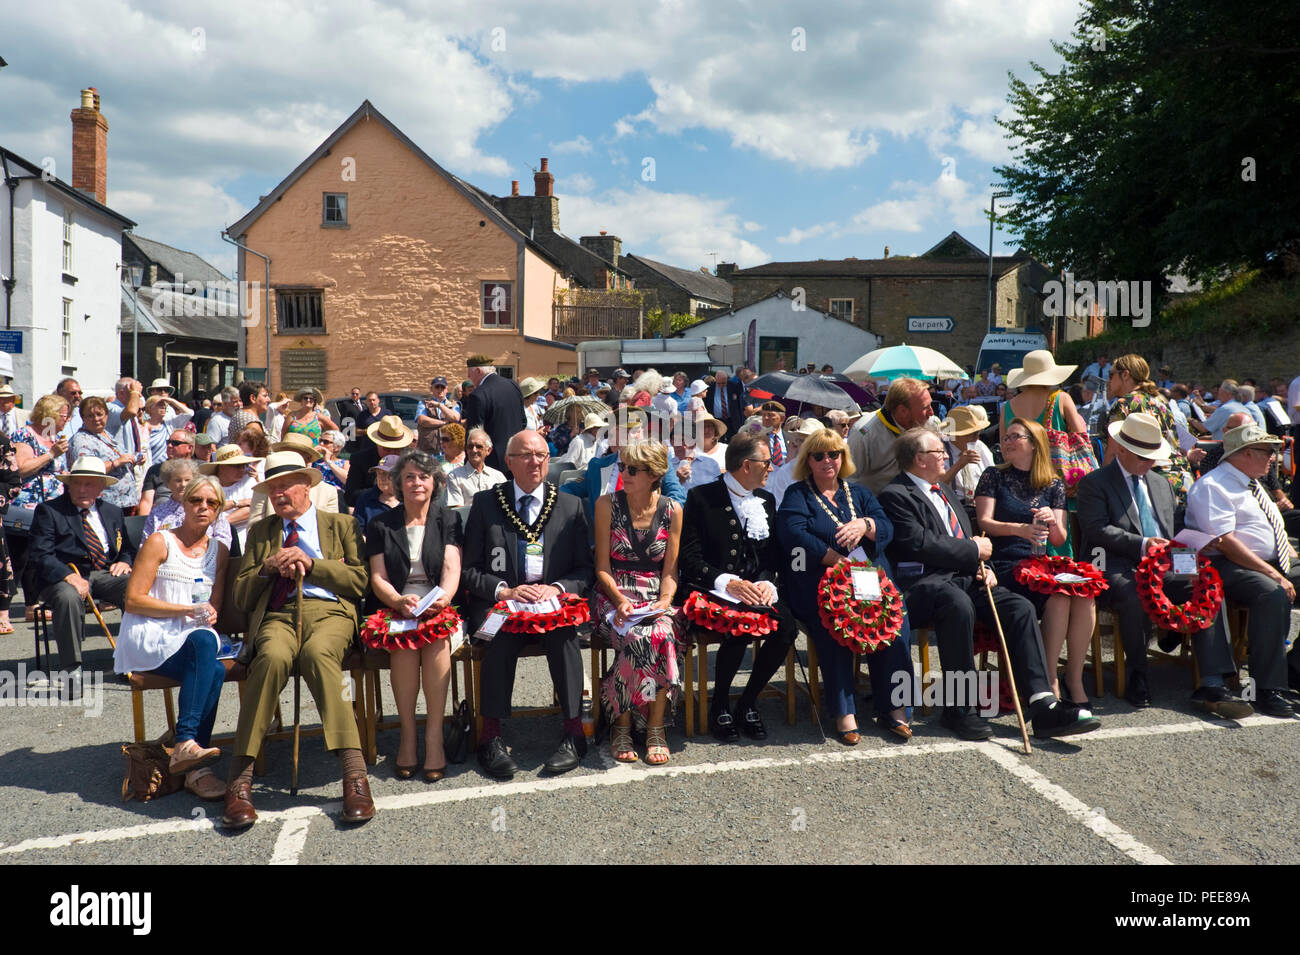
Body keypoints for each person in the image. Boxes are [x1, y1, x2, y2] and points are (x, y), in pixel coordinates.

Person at [879, 428, 1100, 740]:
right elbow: (919, 542)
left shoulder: (942, 492)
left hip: (965, 577)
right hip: (925, 584)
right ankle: (960, 707)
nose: (945, 455)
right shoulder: (896, 494)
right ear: (919, 459)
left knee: (1019, 606)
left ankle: (1042, 703)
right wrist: (973, 551)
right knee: (958, 605)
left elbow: (969, 539)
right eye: (939, 451)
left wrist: (987, 567)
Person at [221, 452, 373, 828]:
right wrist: (267, 569)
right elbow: (241, 598)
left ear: (307, 486)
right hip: (277, 615)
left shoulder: (342, 525)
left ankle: (354, 775)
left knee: (320, 655)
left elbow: (359, 582)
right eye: (272, 489)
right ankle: (239, 782)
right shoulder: (261, 531)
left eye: (285, 485)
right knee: (270, 657)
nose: (279, 494)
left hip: (330, 613)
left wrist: (312, 564)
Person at [1076, 413, 1244, 713]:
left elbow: (1173, 529)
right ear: (1123, 449)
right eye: (1144, 457)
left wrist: (1198, 542)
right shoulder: (1095, 483)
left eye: (1153, 456)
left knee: (1208, 583)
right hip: (1116, 562)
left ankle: (1213, 681)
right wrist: (1142, 544)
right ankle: (1138, 673)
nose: (1150, 463)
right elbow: (1096, 529)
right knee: (1133, 593)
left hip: (1166, 560)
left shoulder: (1161, 483)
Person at [462, 429, 594, 779]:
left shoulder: (570, 505)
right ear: (508, 462)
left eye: (540, 455)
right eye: (525, 455)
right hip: (505, 602)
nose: (534, 462)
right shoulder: (486, 504)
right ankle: (490, 736)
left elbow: (585, 569)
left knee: (564, 636)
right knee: (497, 637)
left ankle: (573, 732)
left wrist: (557, 588)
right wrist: (505, 591)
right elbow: (469, 570)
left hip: (551, 604)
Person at [777, 428, 913, 743]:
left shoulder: (860, 493)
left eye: (834, 454)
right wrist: (831, 558)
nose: (828, 461)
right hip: (819, 580)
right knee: (833, 624)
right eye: (819, 455)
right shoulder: (798, 494)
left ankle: (895, 708)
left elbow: (888, 527)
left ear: (843, 458)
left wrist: (866, 524)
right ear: (808, 460)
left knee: (896, 625)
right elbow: (792, 535)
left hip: (869, 579)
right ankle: (843, 711)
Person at [114, 474, 231, 799]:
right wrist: (183, 612)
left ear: (219, 509)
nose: (203, 507)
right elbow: (133, 600)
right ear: (183, 503)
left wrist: (209, 614)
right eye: (196, 500)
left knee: (216, 667)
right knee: (206, 645)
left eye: (212, 503)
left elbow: (214, 606)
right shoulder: (160, 541)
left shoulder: (218, 551)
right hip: (150, 633)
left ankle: (193, 763)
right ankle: (187, 745)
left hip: (188, 639)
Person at [679, 432, 800, 742]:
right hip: (712, 588)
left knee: (786, 628)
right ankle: (719, 704)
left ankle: (747, 702)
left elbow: (771, 556)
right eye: (767, 462)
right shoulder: (702, 498)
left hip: (755, 590)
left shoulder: (767, 499)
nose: (771, 468)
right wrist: (728, 583)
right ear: (747, 465)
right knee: (741, 626)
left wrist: (765, 582)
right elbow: (689, 559)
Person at [975, 418, 1095, 705]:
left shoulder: (1053, 484)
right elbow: (984, 522)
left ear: (1034, 443)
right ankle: (1049, 680)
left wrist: (1052, 520)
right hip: (1004, 562)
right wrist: (1020, 529)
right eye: (1005, 438)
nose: (1006, 442)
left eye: (1014, 437)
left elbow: (1059, 539)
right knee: (1059, 595)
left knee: (1082, 594)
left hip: (1040, 561)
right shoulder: (994, 475)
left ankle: (1073, 678)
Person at [1184, 422, 1298, 717]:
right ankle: (1267, 688)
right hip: (1226, 565)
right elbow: (1225, 542)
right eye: (1268, 451)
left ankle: (1295, 666)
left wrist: (1285, 551)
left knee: (1273, 585)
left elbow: (1266, 528)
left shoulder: (1251, 482)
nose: (1273, 457)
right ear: (1245, 453)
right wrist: (1273, 573)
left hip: (1267, 562)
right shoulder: (1214, 485)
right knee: (1270, 592)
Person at [365, 450, 463, 781]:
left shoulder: (448, 519)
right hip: (399, 607)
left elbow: (452, 567)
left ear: (434, 482)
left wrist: (444, 599)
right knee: (404, 646)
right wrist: (396, 599)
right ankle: (408, 735)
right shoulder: (381, 524)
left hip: (439, 604)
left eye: (423, 476)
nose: (416, 482)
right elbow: (377, 576)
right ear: (398, 484)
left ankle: (434, 736)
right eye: (409, 477)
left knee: (435, 641)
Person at [591, 441, 684, 765]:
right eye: (622, 467)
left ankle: (655, 725)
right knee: (635, 636)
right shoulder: (607, 505)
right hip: (613, 593)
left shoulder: (672, 510)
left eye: (632, 469)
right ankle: (623, 724)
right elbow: (601, 567)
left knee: (663, 634)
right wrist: (618, 600)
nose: (624, 473)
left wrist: (664, 601)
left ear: (654, 474)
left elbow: (670, 571)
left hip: (655, 595)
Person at [29, 456, 138, 683]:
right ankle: (72, 668)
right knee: (68, 596)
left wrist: (125, 561)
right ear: (68, 485)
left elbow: (127, 547)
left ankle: (133, 658)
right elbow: (41, 555)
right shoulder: (49, 511)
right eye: (77, 483)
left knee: (135, 586)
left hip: (105, 573)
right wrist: (69, 576)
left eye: (89, 484)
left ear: (100, 488)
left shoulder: (112, 511)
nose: (82, 489)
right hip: (61, 576)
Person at [1104, 354, 1196, 501]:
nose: (1109, 381)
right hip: (1182, 479)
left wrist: (1102, 485)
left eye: (1111, 375)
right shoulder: (1160, 401)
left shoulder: (1124, 404)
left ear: (1125, 375)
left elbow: (1113, 452)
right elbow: (1181, 442)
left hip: (1154, 485)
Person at [848, 377, 934, 493]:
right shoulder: (864, 433)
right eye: (925, 407)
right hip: (878, 504)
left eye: (931, 405)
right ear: (903, 410)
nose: (931, 412)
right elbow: (849, 480)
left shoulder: (929, 423)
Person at [142, 457, 233, 549]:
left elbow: (223, 541)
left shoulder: (209, 508)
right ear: (168, 483)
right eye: (178, 480)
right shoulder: (157, 513)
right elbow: (145, 545)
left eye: (187, 480)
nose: (183, 485)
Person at [70, 396, 141, 512]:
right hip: (106, 504)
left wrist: (132, 460)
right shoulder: (81, 440)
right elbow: (86, 472)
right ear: (83, 418)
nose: (96, 419)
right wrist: (116, 462)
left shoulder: (107, 434)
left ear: (107, 415)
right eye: (90, 416)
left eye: (99, 414)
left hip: (126, 502)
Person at [250, 432, 342, 522]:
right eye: (285, 454)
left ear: (308, 459)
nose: (290, 458)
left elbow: (330, 530)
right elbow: (254, 531)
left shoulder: (327, 491)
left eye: (296, 455)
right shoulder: (267, 489)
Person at [461, 355, 526, 474]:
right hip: (516, 456)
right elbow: (523, 421)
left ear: (479, 371)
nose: (469, 377)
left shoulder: (478, 395)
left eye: (470, 373)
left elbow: (474, 433)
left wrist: (468, 463)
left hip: (492, 463)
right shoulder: (512, 385)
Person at [937, 404, 993, 519]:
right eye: (972, 434)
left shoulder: (979, 446)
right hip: (954, 508)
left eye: (978, 433)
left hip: (981, 506)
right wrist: (959, 464)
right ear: (955, 435)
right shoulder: (941, 450)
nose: (977, 438)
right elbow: (938, 486)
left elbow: (993, 475)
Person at [200, 445, 258, 549]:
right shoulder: (208, 484)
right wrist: (236, 503)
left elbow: (251, 509)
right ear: (222, 467)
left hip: (242, 536)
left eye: (243, 465)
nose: (242, 469)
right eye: (236, 466)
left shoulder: (248, 481)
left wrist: (219, 524)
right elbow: (205, 508)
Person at [766, 417, 824, 507]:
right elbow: (779, 506)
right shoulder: (785, 472)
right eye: (802, 440)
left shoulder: (831, 468)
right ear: (797, 442)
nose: (807, 446)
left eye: (813, 442)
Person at [138, 429, 195, 516]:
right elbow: (146, 502)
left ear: (189, 448)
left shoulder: (200, 469)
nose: (169, 446)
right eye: (168, 442)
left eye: (175, 443)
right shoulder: (155, 470)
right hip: (160, 518)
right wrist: (145, 523)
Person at [444, 427, 506, 507]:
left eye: (479, 446)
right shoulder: (454, 476)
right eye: (470, 446)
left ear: (488, 450)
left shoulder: (498, 476)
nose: (474, 450)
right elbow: (456, 510)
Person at [352, 454, 402, 529]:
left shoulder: (409, 498)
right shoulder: (365, 499)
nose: (381, 478)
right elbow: (358, 532)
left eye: (386, 474)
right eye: (379, 473)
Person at [416, 378, 461, 453]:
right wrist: (444, 423)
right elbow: (422, 420)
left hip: (449, 451)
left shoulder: (454, 405)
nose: (440, 390)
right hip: (428, 450)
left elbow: (455, 418)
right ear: (431, 389)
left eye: (442, 387)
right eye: (437, 387)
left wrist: (439, 405)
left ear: (446, 389)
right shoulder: (424, 403)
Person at [704, 368, 745, 437]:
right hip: (716, 420)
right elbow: (707, 404)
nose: (721, 385)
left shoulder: (734, 386)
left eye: (724, 383)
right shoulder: (710, 389)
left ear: (727, 380)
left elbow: (739, 405)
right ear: (716, 380)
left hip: (731, 421)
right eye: (719, 383)